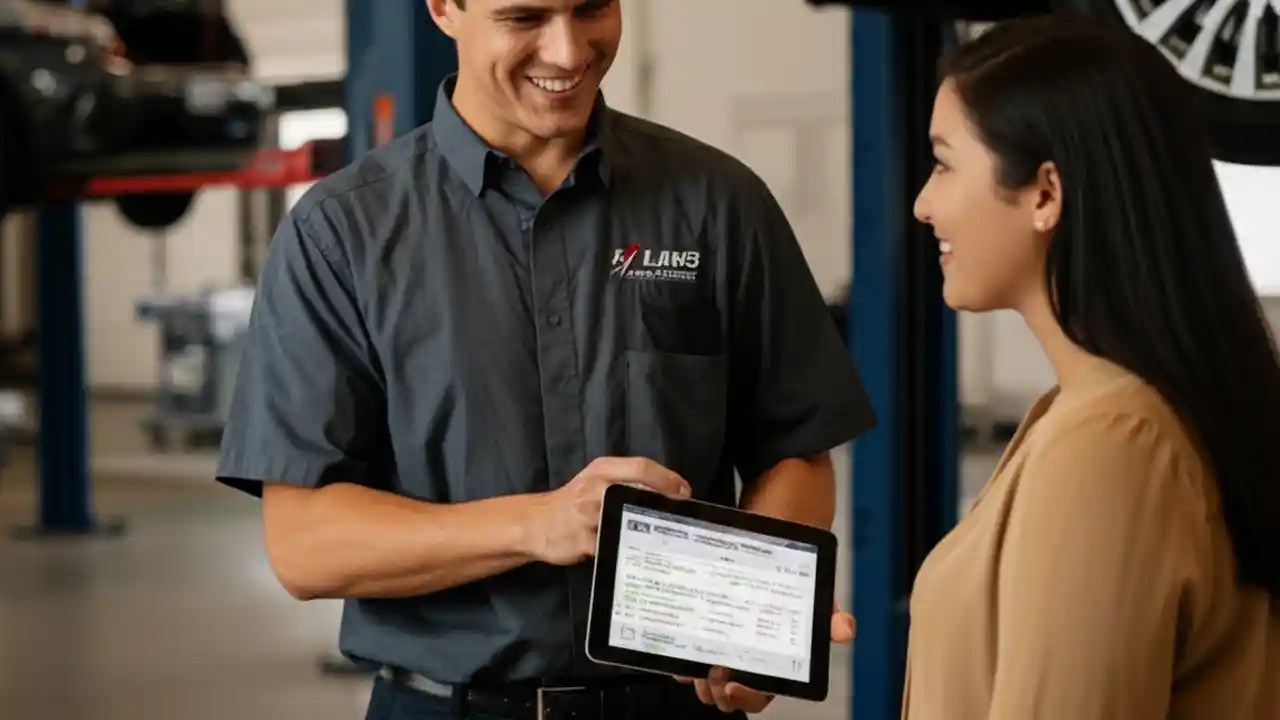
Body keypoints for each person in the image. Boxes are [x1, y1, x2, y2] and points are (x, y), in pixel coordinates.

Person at [214, 1, 873, 718]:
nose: (566, 51)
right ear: (444, 8)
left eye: (591, 8)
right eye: (524, 16)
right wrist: (537, 524)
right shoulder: (342, 235)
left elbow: (796, 450)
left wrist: (753, 617)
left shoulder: (717, 203)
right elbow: (306, 546)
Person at [908, 12, 1280, 720]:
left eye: (944, 162)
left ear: (1045, 193)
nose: (924, 204)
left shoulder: (1112, 443)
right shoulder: (1105, 414)